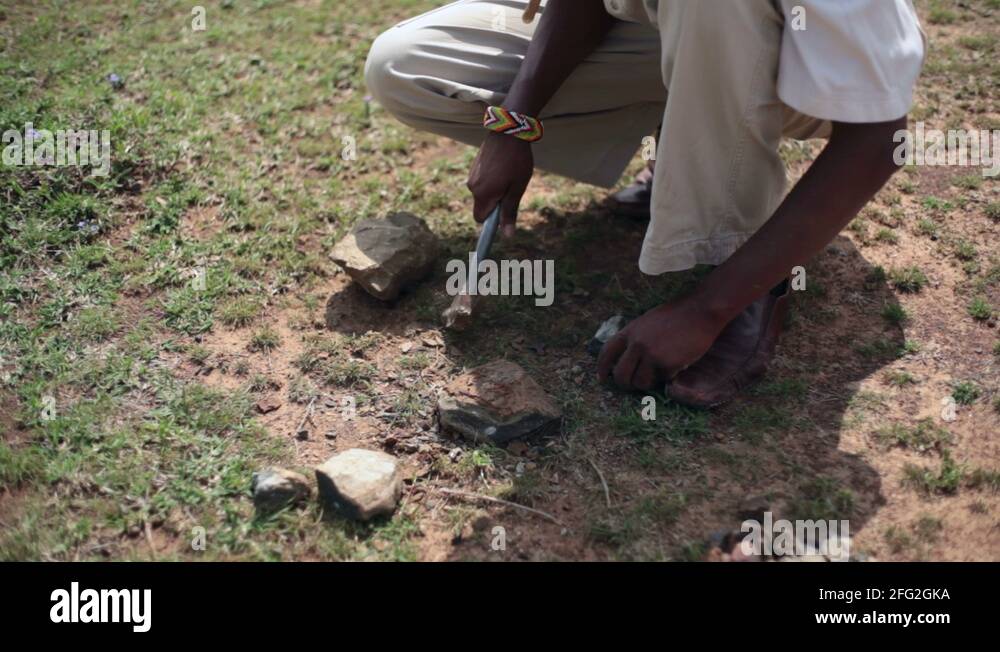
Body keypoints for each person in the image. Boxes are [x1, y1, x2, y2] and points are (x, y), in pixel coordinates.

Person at [364, 0, 926, 407]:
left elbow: (878, 137)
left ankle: (741, 260)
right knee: (406, 64)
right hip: (671, 30)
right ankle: (684, 148)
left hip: (801, 67)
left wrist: (707, 309)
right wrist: (516, 122)